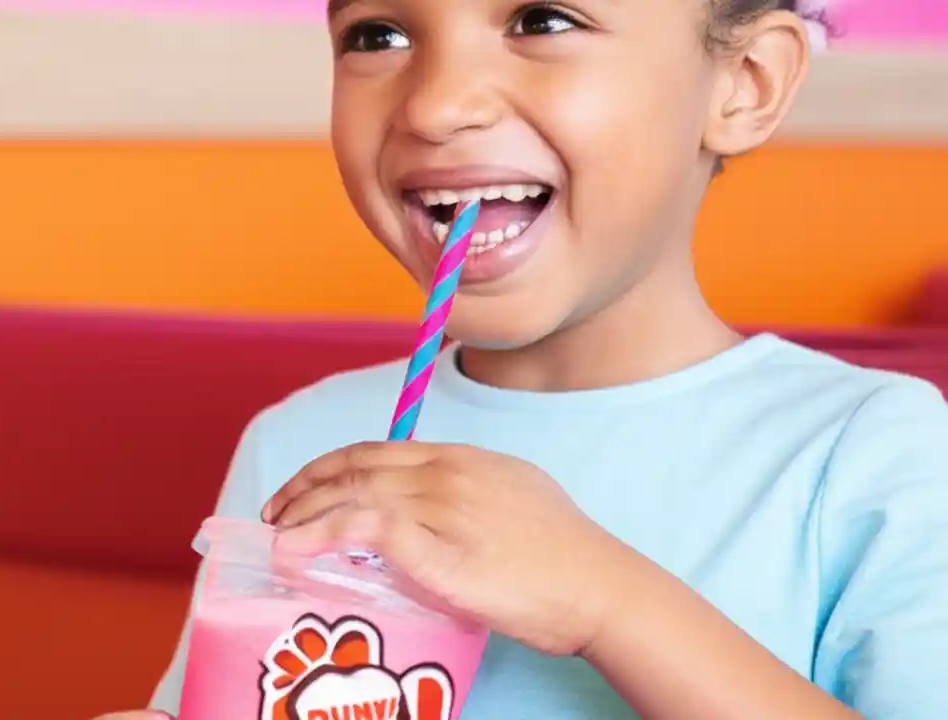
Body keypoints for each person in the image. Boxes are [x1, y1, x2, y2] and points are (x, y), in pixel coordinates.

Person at [100, 0, 948, 717]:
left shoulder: (872, 449)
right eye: (377, 35)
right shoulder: (304, 441)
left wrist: (603, 601)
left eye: (542, 19)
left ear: (745, 82)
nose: (434, 106)